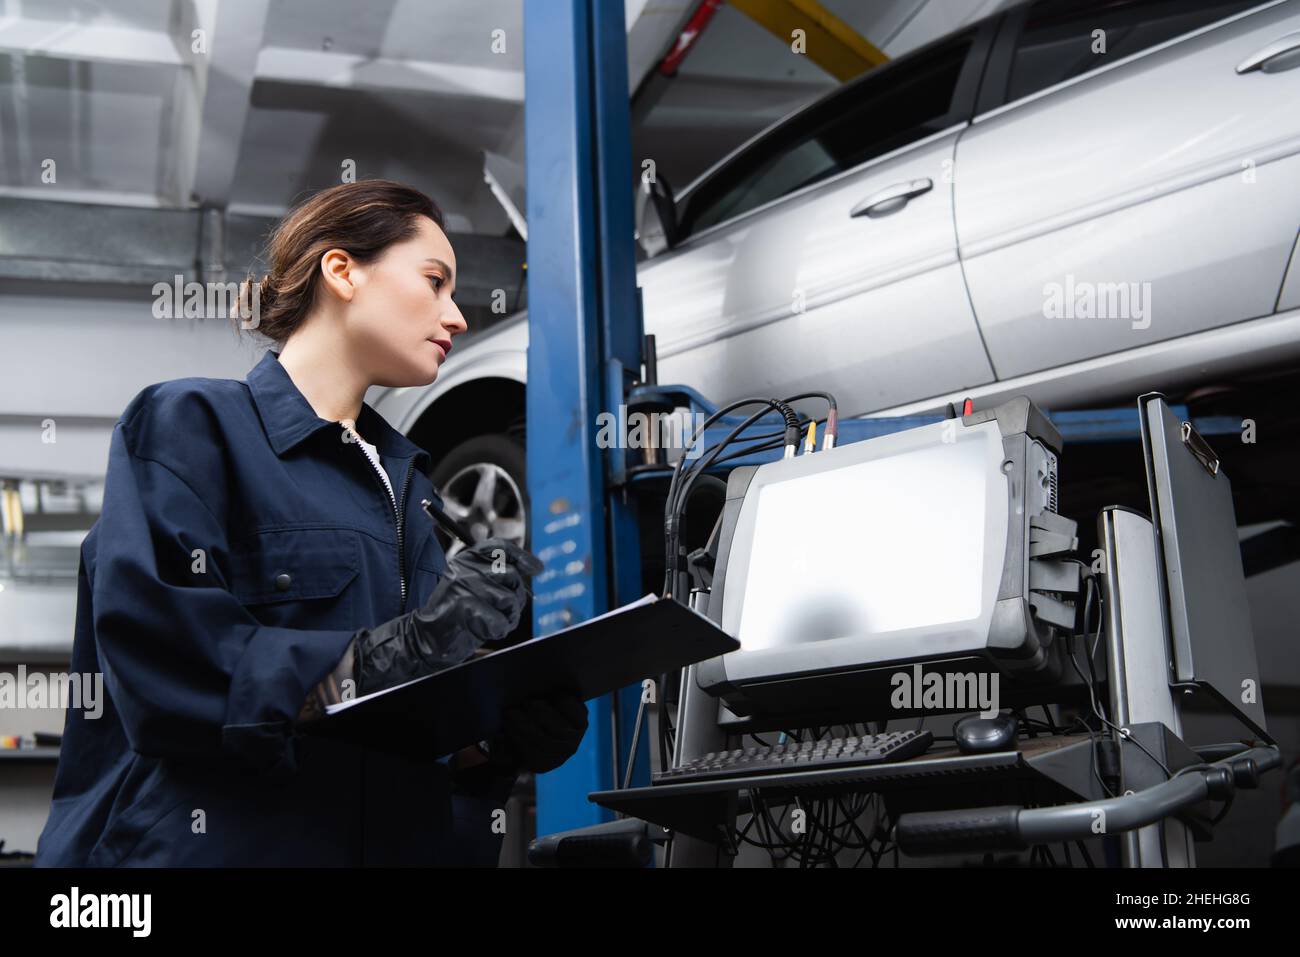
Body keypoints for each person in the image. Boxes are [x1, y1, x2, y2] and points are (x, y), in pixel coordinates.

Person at [35, 179, 587, 867]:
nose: (458, 316)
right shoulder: (194, 428)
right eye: (435, 280)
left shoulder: (414, 495)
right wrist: (393, 653)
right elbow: (169, 666)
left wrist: (492, 742)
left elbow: (394, 732)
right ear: (342, 270)